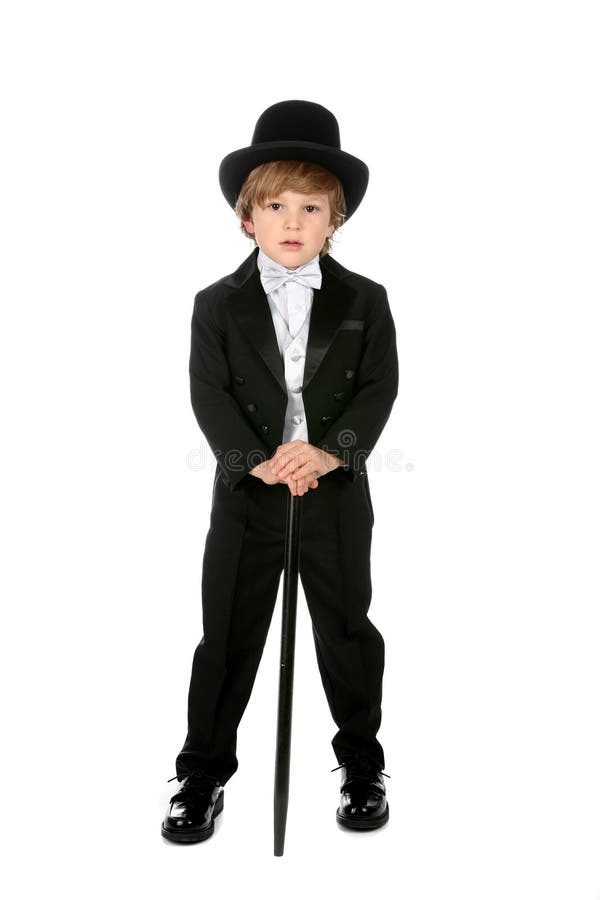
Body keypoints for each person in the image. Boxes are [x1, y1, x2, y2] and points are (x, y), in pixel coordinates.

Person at [161, 100, 399, 843]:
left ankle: (362, 767)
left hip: (332, 494)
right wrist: (257, 462)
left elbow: (377, 385)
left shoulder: (367, 300)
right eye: (275, 205)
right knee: (227, 633)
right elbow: (210, 391)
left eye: (310, 206)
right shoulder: (215, 305)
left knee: (346, 631)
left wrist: (331, 450)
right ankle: (201, 777)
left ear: (336, 221)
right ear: (247, 218)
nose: (292, 221)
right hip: (248, 496)